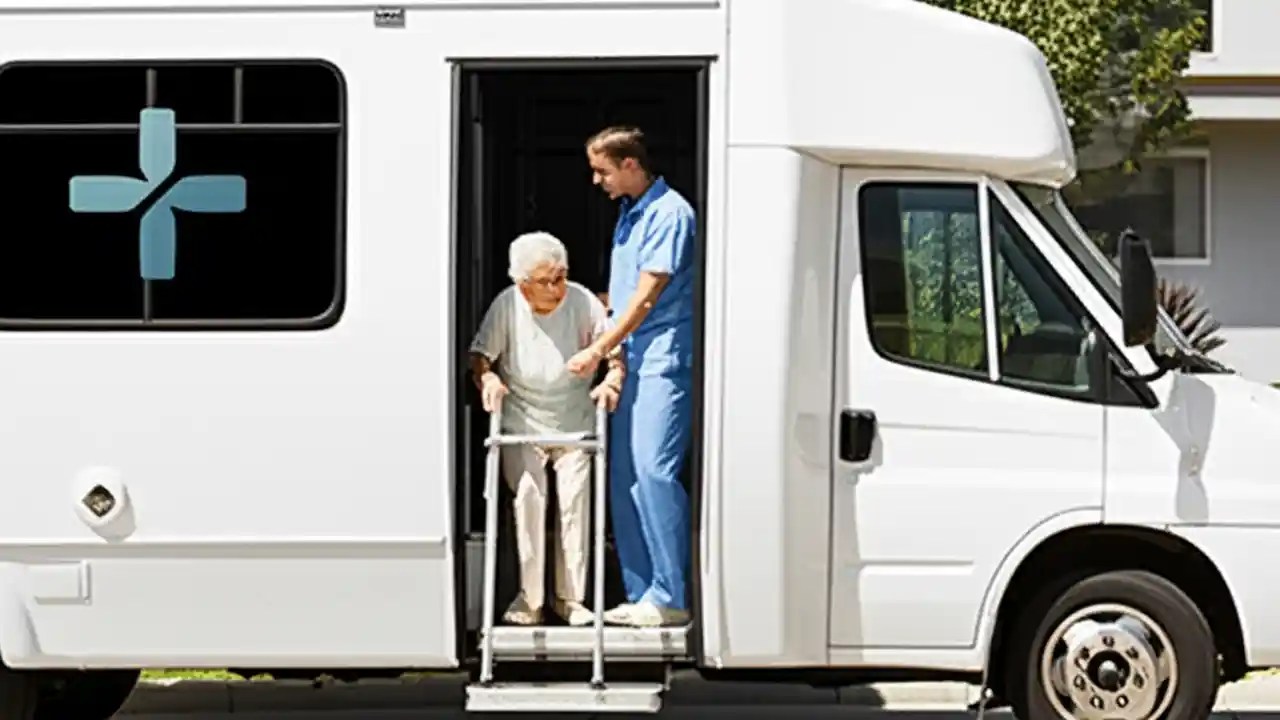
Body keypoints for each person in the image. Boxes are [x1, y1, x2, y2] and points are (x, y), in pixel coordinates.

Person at [566, 126, 696, 628]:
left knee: (655, 473)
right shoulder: (628, 216)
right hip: (630, 363)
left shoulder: (670, 215)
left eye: (602, 170)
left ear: (631, 165)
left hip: (662, 360)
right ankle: (644, 594)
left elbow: (645, 297)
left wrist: (598, 348)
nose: (595, 179)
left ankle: (671, 593)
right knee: (625, 479)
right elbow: (620, 297)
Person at [469, 231, 625, 627]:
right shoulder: (507, 306)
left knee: (574, 505)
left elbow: (615, 352)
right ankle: (530, 598)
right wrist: (487, 380)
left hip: (575, 420)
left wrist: (611, 381)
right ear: (522, 285)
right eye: (545, 281)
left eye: (561, 277)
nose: (557, 288)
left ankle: (570, 599)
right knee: (529, 498)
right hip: (522, 420)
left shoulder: (583, 300)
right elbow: (481, 356)